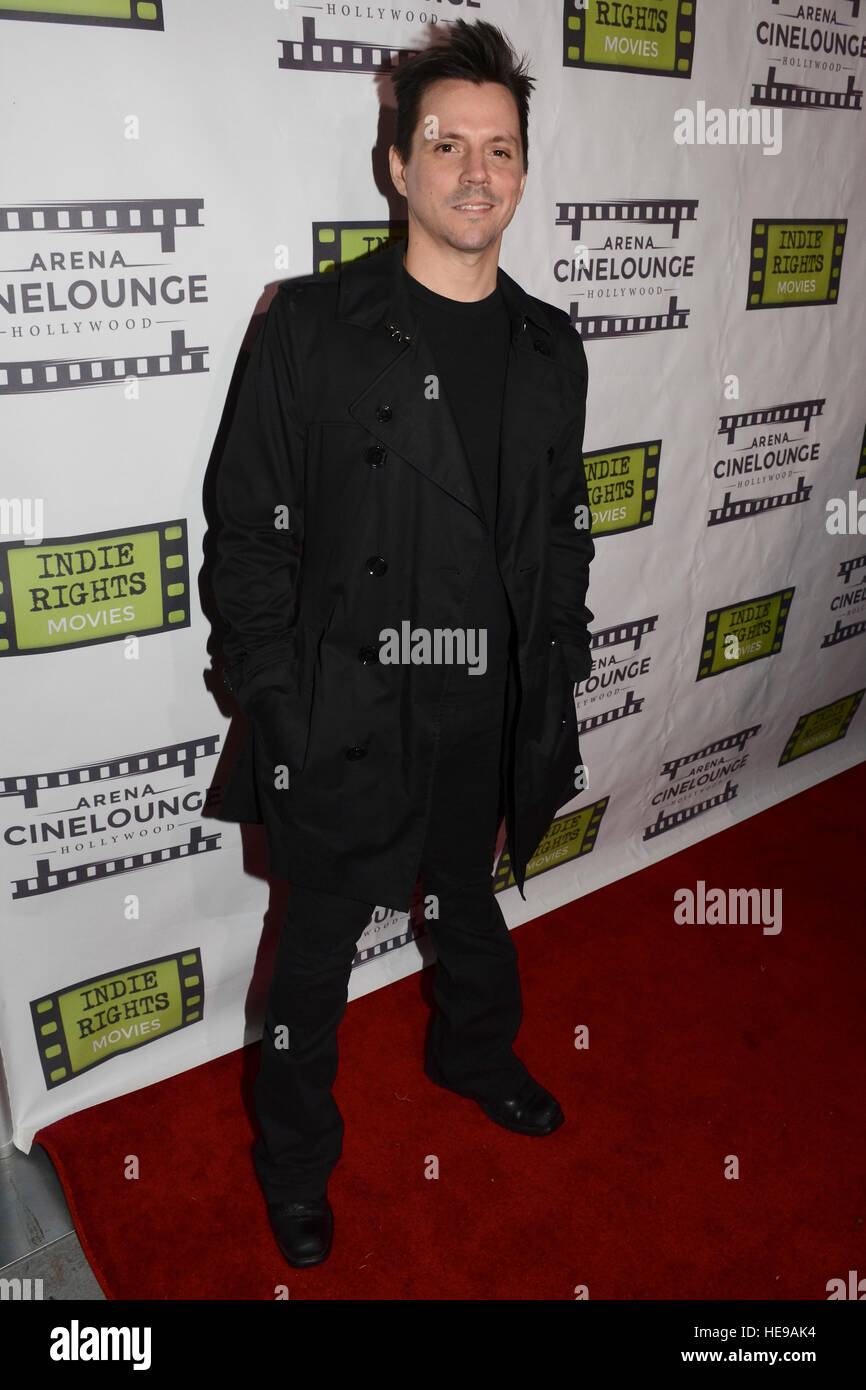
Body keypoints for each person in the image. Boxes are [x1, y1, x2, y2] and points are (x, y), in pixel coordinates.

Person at [211, 18, 595, 1269]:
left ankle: (470, 1052)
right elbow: (247, 532)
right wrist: (280, 699)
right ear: (396, 164)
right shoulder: (309, 326)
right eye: (445, 144)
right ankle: (293, 1162)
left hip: (481, 709)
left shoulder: (550, 345)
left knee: (467, 904)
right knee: (309, 969)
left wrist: (558, 670)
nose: (473, 172)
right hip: (346, 711)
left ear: (523, 172)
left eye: (498, 149)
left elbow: (559, 528)